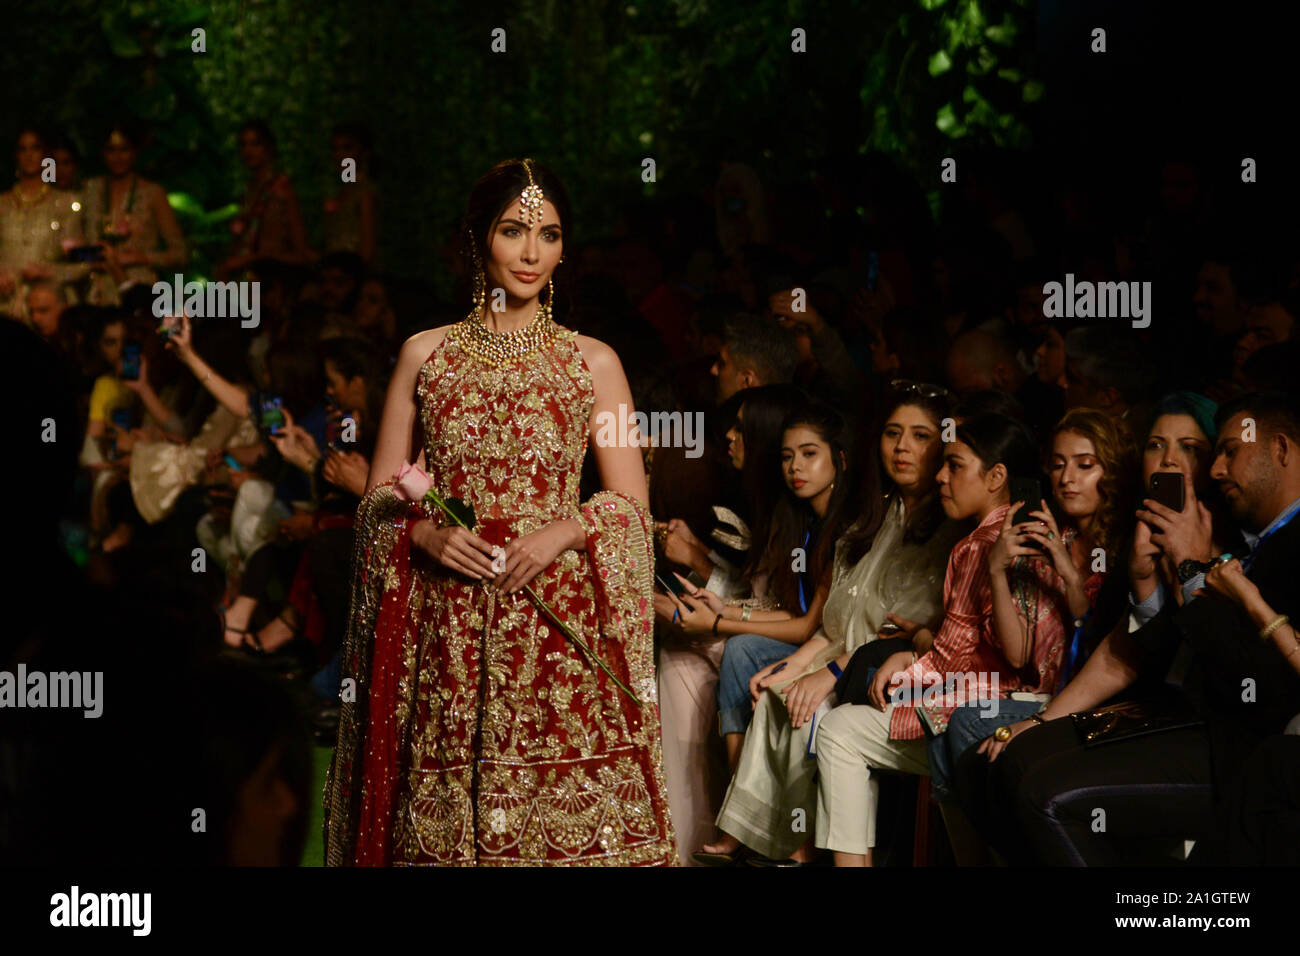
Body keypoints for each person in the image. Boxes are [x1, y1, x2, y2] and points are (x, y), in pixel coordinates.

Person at [323, 157, 677, 866]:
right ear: (478, 239)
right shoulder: (425, 357)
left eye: (547, 234)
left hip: (558, 618)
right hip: (448, 625)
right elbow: (376, 504)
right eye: (513, 231)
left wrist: (566, 528)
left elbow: (634, 508)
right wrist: (422, 532)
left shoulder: (595, 364)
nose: (529, 252)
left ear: (565, 247)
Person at [963, 392, 1300, 865]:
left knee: (1043, 792)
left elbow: (1250, 682)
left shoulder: (1242, 538)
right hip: (1172, 717)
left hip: (1238, 744)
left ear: (1280, 450)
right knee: (993, 763)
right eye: (1155, 445)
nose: (1174, 463)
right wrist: (1146, 585)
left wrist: (1190, 567)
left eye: (1204, 450)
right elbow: (1133, 649)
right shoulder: (1222, 534)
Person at [698, 384, 965, 865]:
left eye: (920, 435)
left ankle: (801, 851)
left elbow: (901, 633)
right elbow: (829, 620)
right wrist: (796, 665)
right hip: (844, 653)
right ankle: (759, 840)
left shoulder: (946, 526)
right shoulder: (878, 514)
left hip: (890, 674)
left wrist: (827, 674)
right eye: (892, 433)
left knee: (807, 711)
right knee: (779, 690)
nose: (902, 447)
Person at [813, 412, 1060, 866]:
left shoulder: (983, 545)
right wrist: (914, 651)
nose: (941, 477)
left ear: (996, 477)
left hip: (989, 709)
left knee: (839, 730)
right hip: (1018, 703)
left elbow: (989, 656)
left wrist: (911, 663)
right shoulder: (1028, 532)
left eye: (955, 465)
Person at [81, 124, 188, 304]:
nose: (118, 157)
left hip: (140, 290)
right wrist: (93, 255)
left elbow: (180, 254)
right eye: (111, 150)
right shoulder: (89, 190)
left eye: (124, 150)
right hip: (95, 290)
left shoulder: (152, 193)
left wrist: (139, 258)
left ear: (135, 152)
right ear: (102, 153)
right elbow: (71, 244)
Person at [0, 128, 86, 318]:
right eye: (23, 149)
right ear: (15, 155)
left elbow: (83, 266)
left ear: (46, 154)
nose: (29, 155)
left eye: (35, 148)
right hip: (6, 305)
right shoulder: (2, 204)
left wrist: (50, 272)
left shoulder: (65, 205)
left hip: (50, 307)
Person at [217, 120, 313, 279]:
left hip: (272, 279)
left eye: (255, 144)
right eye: (243, 145)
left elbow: (300, 251)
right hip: (242, 279)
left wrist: (252, 259)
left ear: (269, 147)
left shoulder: (282, 190)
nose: (248, 150)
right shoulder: (247, 192)